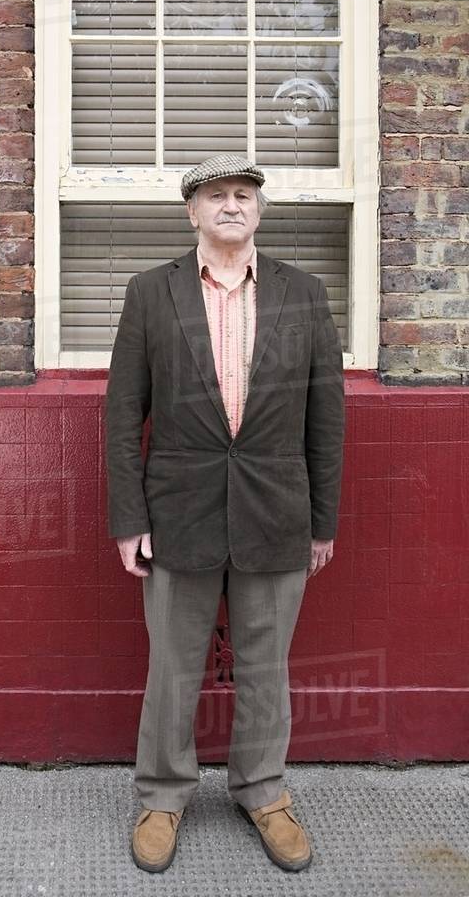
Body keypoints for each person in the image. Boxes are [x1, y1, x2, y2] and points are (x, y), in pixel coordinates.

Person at [105, 152, 345, 874]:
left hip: (278, 510)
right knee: (173, 668)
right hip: (178, 510)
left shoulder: (305, 295)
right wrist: (128, 517)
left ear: (259, 211)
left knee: (266, 667)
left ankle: (262, 790)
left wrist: (322, 521)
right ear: (192, 212)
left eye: (244, 195)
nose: (231, 206)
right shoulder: (151, 293)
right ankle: (162, 795)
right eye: (216, 196)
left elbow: (326, 419)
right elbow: (123, 415)